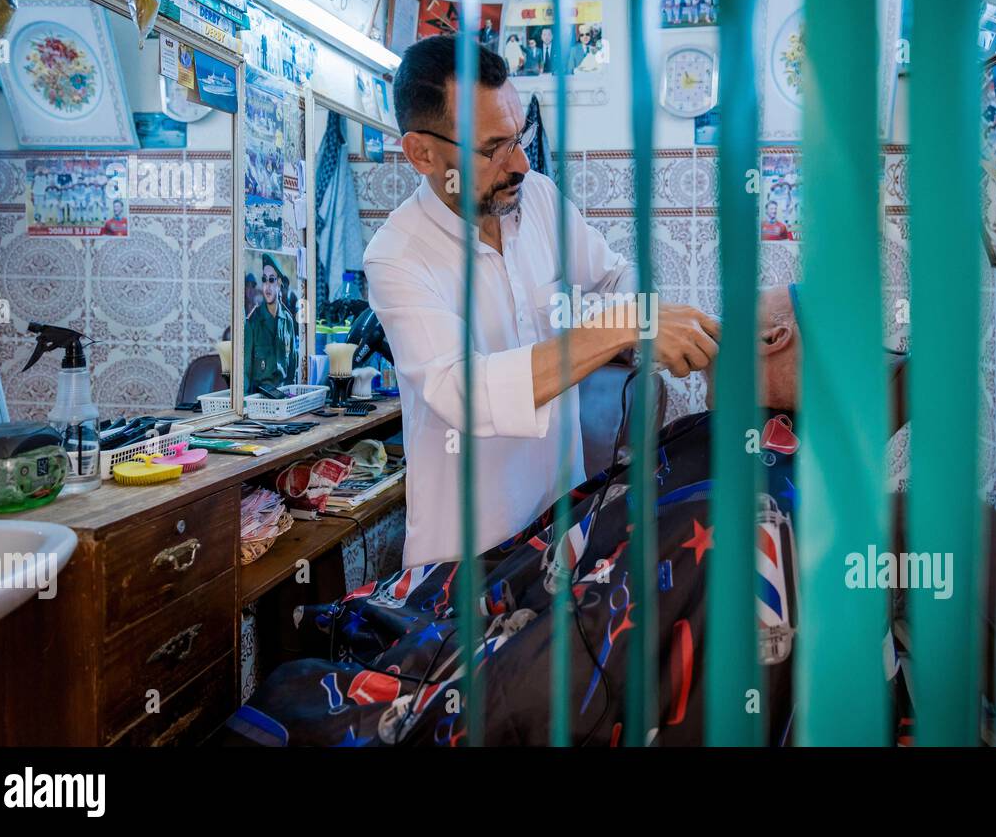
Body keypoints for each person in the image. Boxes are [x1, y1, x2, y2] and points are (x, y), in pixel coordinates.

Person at [222, 285, 914, 747]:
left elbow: (570, 669)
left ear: (772, 340)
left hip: (526, 656)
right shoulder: (779, 468)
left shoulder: (743, 503)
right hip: (523, 594)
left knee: (297, 693)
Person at [361, 35, 719, 570]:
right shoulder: (396, 256)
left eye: (519, 136)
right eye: (492, 148)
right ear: (422, 153)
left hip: (563, 518)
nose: (522, 163)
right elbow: (464, 392)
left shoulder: (539, 202)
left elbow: (614, 274)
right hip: (465, 552)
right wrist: (620, 327)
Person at [243, 253, 300, 393]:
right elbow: (245, 370)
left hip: (283, 397)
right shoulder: (253, 322)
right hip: (258, 398)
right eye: (264, 280)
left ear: (280, 284)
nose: (267, 287)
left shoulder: (287, 321)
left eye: (271, 280)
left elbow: (292, 366)